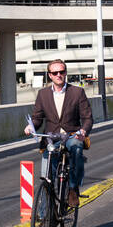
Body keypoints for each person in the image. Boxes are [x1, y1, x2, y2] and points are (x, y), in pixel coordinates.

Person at [25, 59, 92, 208]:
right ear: (50, 75)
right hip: (51, 138)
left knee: (77, 147)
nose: (58, 75)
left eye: (61, 72)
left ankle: (73, 188)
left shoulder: (77, 92)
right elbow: (37, 118)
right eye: (55, 73)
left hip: (72, 135)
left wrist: (83, 131)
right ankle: (44, 219)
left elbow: (87, 118)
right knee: (46, 178)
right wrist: (31, 127)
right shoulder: (43, 94)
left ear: (66, 73)